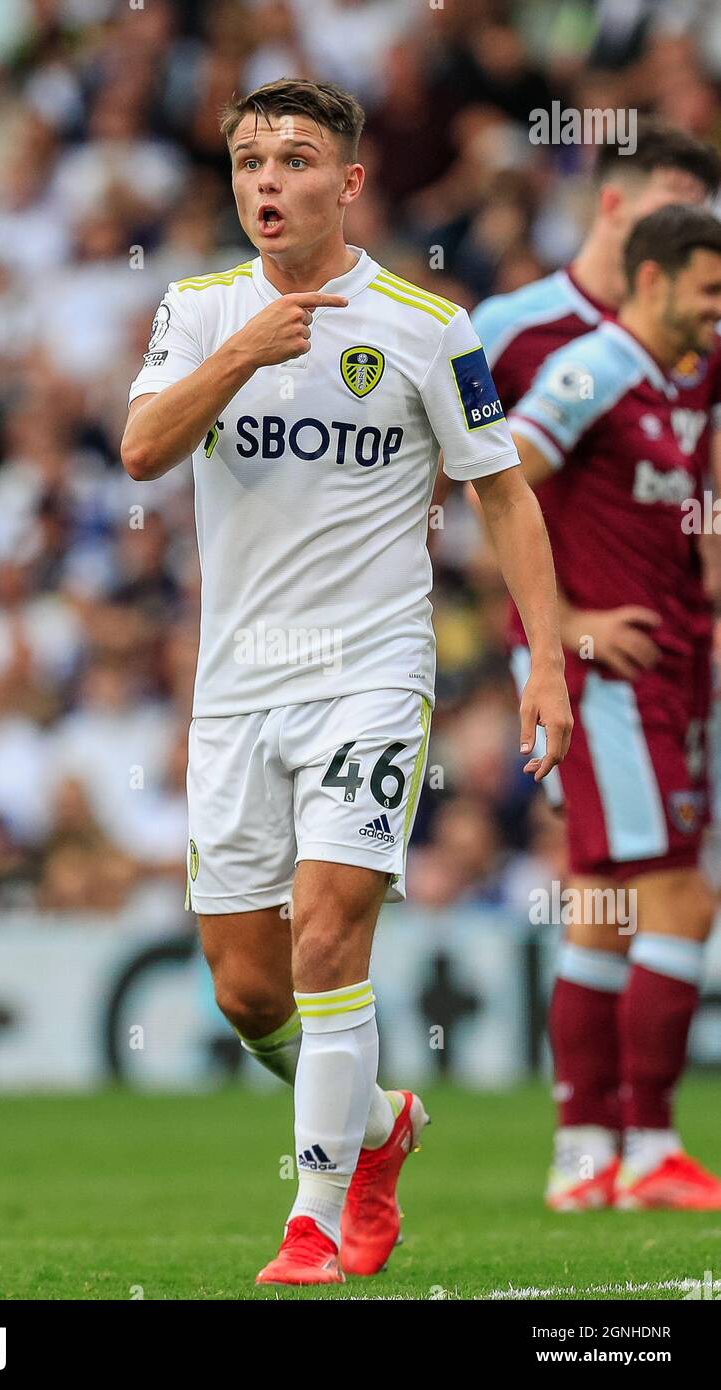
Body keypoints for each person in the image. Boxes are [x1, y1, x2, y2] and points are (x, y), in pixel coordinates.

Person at [121, 78, 571, 1286]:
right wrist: (245, 356)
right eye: (250, 161)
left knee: (329, 936)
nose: (267, 182)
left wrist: (544, 659)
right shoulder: (200, 310)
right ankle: (377, 1123)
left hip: (370, 675)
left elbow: (502, 492)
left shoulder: (427, 325)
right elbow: (143, 450)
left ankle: (312, 1220)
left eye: (296, 160)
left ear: (350, 183)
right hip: (235, 691)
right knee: (246, 989)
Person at [472, 122, 721, 1211]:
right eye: (707, 287)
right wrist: (559, 625)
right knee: (675, 894)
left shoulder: (682, 372)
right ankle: (649, 1142)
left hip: (670, 666)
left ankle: (584, 1154)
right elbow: (492, 475)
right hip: (609, 675)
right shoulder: (571, 359)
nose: (718, 307)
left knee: (605, 907)